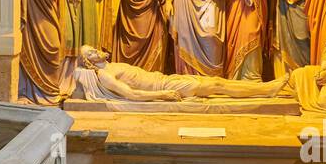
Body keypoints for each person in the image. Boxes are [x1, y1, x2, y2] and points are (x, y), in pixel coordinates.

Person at [72, 46, 293, 102]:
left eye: (92, 47)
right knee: (217, 85)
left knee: (217, 83)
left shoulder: (113, 65)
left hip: (166, 80)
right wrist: (163, 95)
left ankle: (265, 89)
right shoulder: (104, 76)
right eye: (90, 52)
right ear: (88, 62)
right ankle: (266, 90)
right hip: (165, 87)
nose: (95, 50)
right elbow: (132, 95)